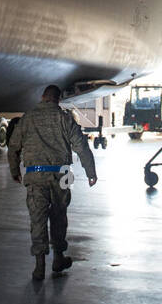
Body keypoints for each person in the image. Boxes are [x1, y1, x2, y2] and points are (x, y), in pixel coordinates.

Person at [7, 84, 97, 280]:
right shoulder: (64, 118)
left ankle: (39, 266)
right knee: (59, 217)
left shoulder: (28, 118)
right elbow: (81, 146)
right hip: (63, 174)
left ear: (42, 97)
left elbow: (13, 146)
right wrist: (91, 172)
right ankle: (58, 257)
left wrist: (15, 170)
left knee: (37, 219)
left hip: (34, 174)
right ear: (58, 99)